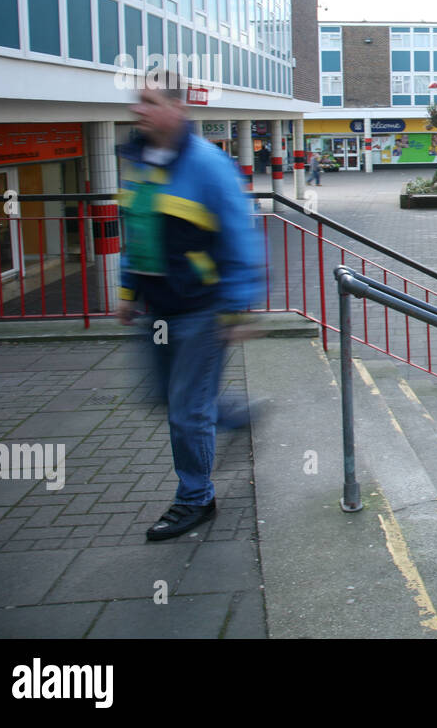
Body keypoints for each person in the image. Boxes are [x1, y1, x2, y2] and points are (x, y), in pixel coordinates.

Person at [117, 74, 264, 541]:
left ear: (177, 109)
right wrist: (126, 293)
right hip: (156, 310)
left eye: (149, 101)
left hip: (202, 308)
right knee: (166, 399)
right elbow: (137, 234)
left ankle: (196, 498)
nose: (139, 110)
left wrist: (237, 308)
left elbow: (241, 236)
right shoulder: (139, 161)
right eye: (137, 101)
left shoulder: (208, 165)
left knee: (186, 411)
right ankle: (237, 416)